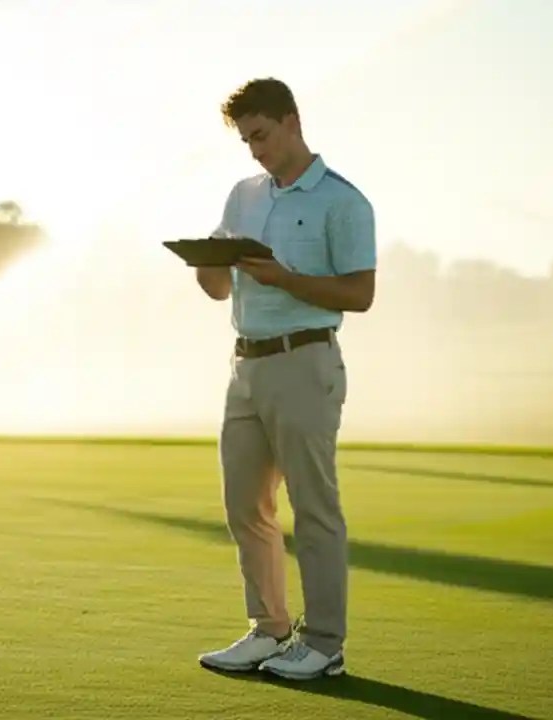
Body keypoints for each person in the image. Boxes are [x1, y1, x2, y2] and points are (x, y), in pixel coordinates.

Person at [194, 77, 376, 681]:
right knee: (244, 504)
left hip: (306, 362)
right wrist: (207, 266)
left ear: (292, 121)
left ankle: (324, 643)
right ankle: (269, 629)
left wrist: (283, 277)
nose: (255, 150)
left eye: (262, 135)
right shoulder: (243, 194)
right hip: (245, 365)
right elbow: (221, 286)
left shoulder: (343, 201)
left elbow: (360, 293)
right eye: (246, 140)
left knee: (314, 508)